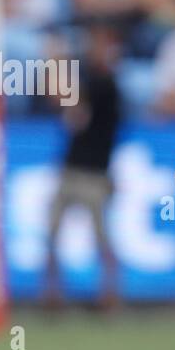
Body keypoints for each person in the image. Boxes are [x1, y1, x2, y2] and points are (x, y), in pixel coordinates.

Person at [42, 19, 124, 310]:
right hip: (73, 169)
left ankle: (108, 295)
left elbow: (70, 105)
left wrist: (56, 64)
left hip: (94, 174)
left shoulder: (107, 85)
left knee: (100, 238)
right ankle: (53, 295)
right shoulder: (92, 79)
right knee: (53, 233)